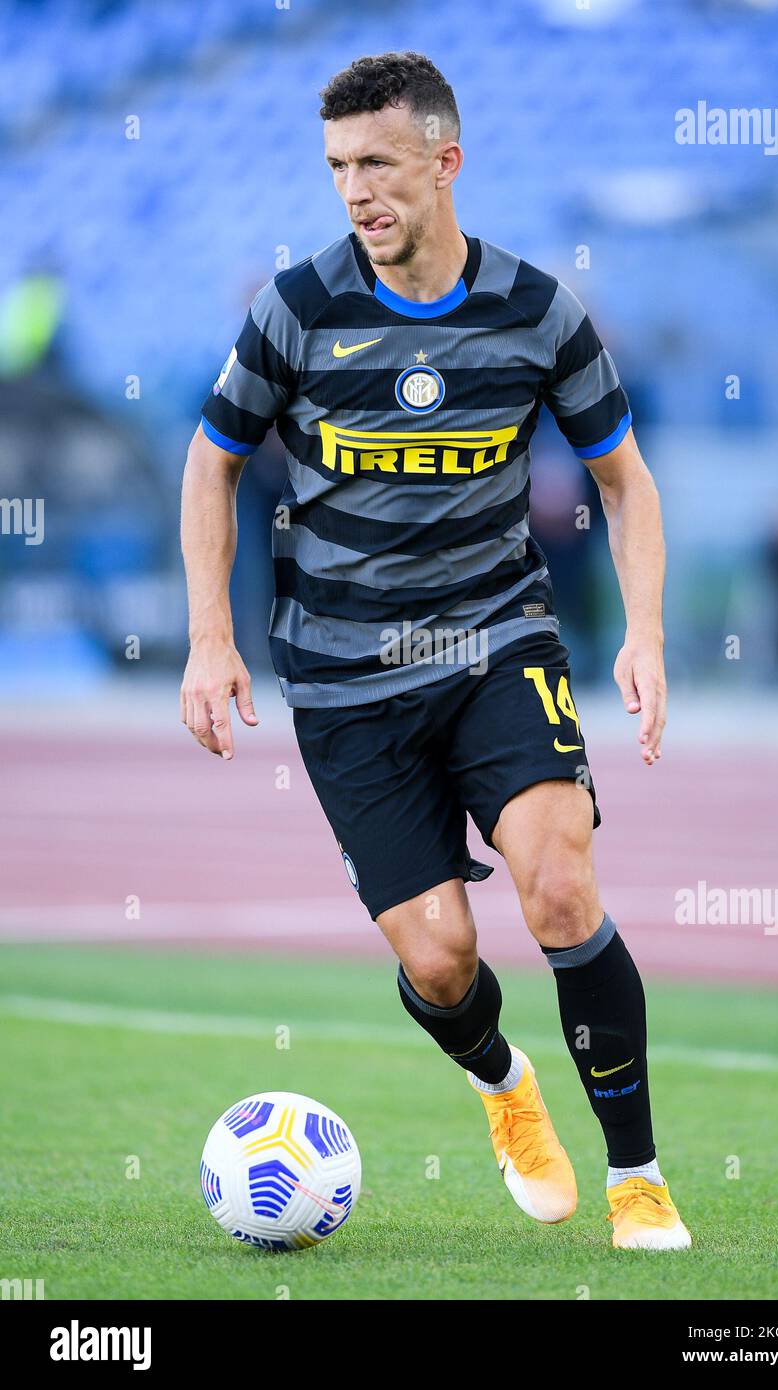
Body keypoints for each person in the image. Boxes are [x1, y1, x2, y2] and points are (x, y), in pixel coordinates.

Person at [180, 52, 690, 1250]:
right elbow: (214, 460)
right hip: (346, 682)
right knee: (445, 958)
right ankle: (505, 1086)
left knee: (561, 887)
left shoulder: (538, 311)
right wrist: (212, 638)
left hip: (497, 644)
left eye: (378, 164)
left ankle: (640, 1179)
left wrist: (648, 633)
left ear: (444, 163)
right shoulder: (297, 307)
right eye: (339, 168)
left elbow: (625, 480)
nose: (357, 190)